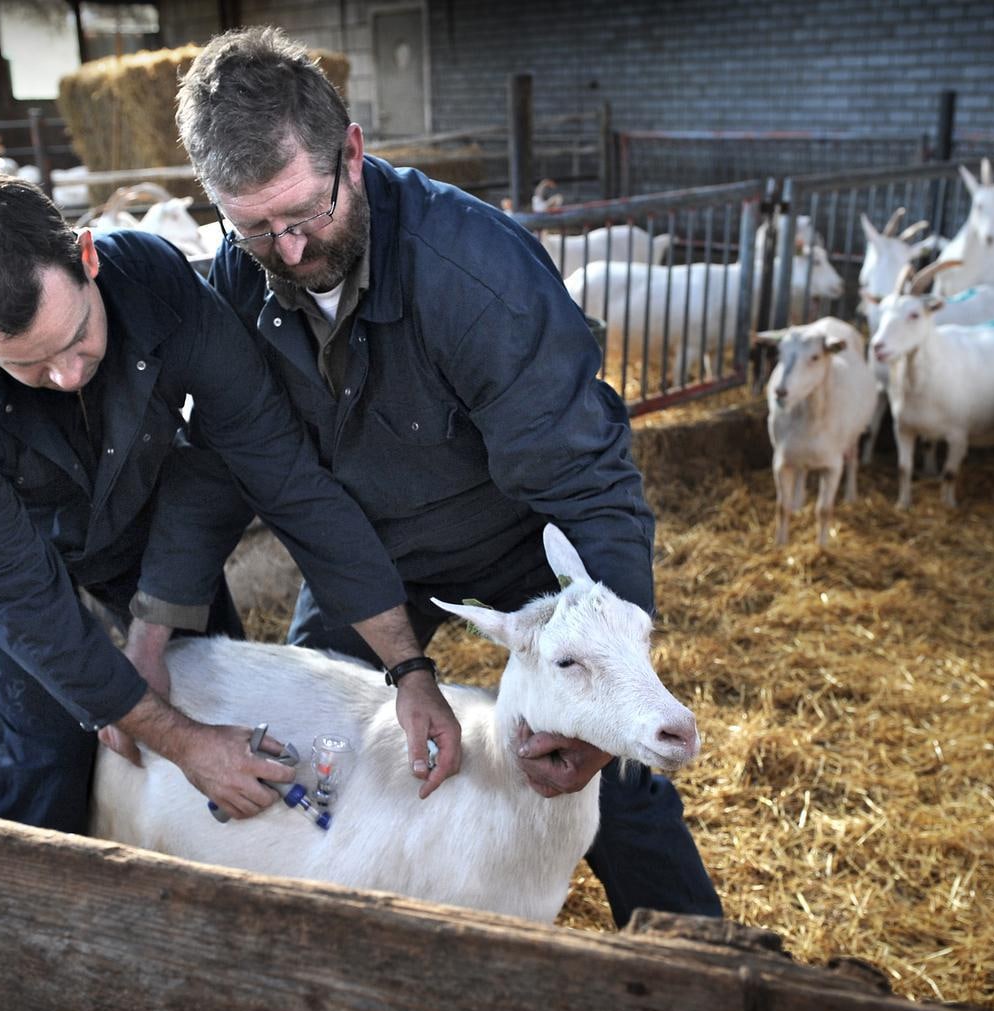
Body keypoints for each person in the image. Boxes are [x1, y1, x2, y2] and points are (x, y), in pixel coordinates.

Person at [175, 26, 722, 925]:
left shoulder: (475, 274)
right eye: (253, 227)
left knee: (614, 774)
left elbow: (591, 483)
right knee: (321, 732)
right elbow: (222, 461)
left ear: (351, 153)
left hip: (516, 544)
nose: (292, 248)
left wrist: (604, 684)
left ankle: (709, 968)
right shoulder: (241, 288)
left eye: (306, 213)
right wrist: (159, 624)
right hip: (371, 560)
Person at [0, 173, 463, 836]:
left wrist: (407, 666)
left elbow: (280, 471)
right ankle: (35, 909)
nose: (68, 375)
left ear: (89, 257)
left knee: (211, 676)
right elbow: (17, 597)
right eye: (28, 366)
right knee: (49, 741)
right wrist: (180, 741)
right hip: (8, 545)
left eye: (76, 338)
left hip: (130, 505)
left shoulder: (157, 285)